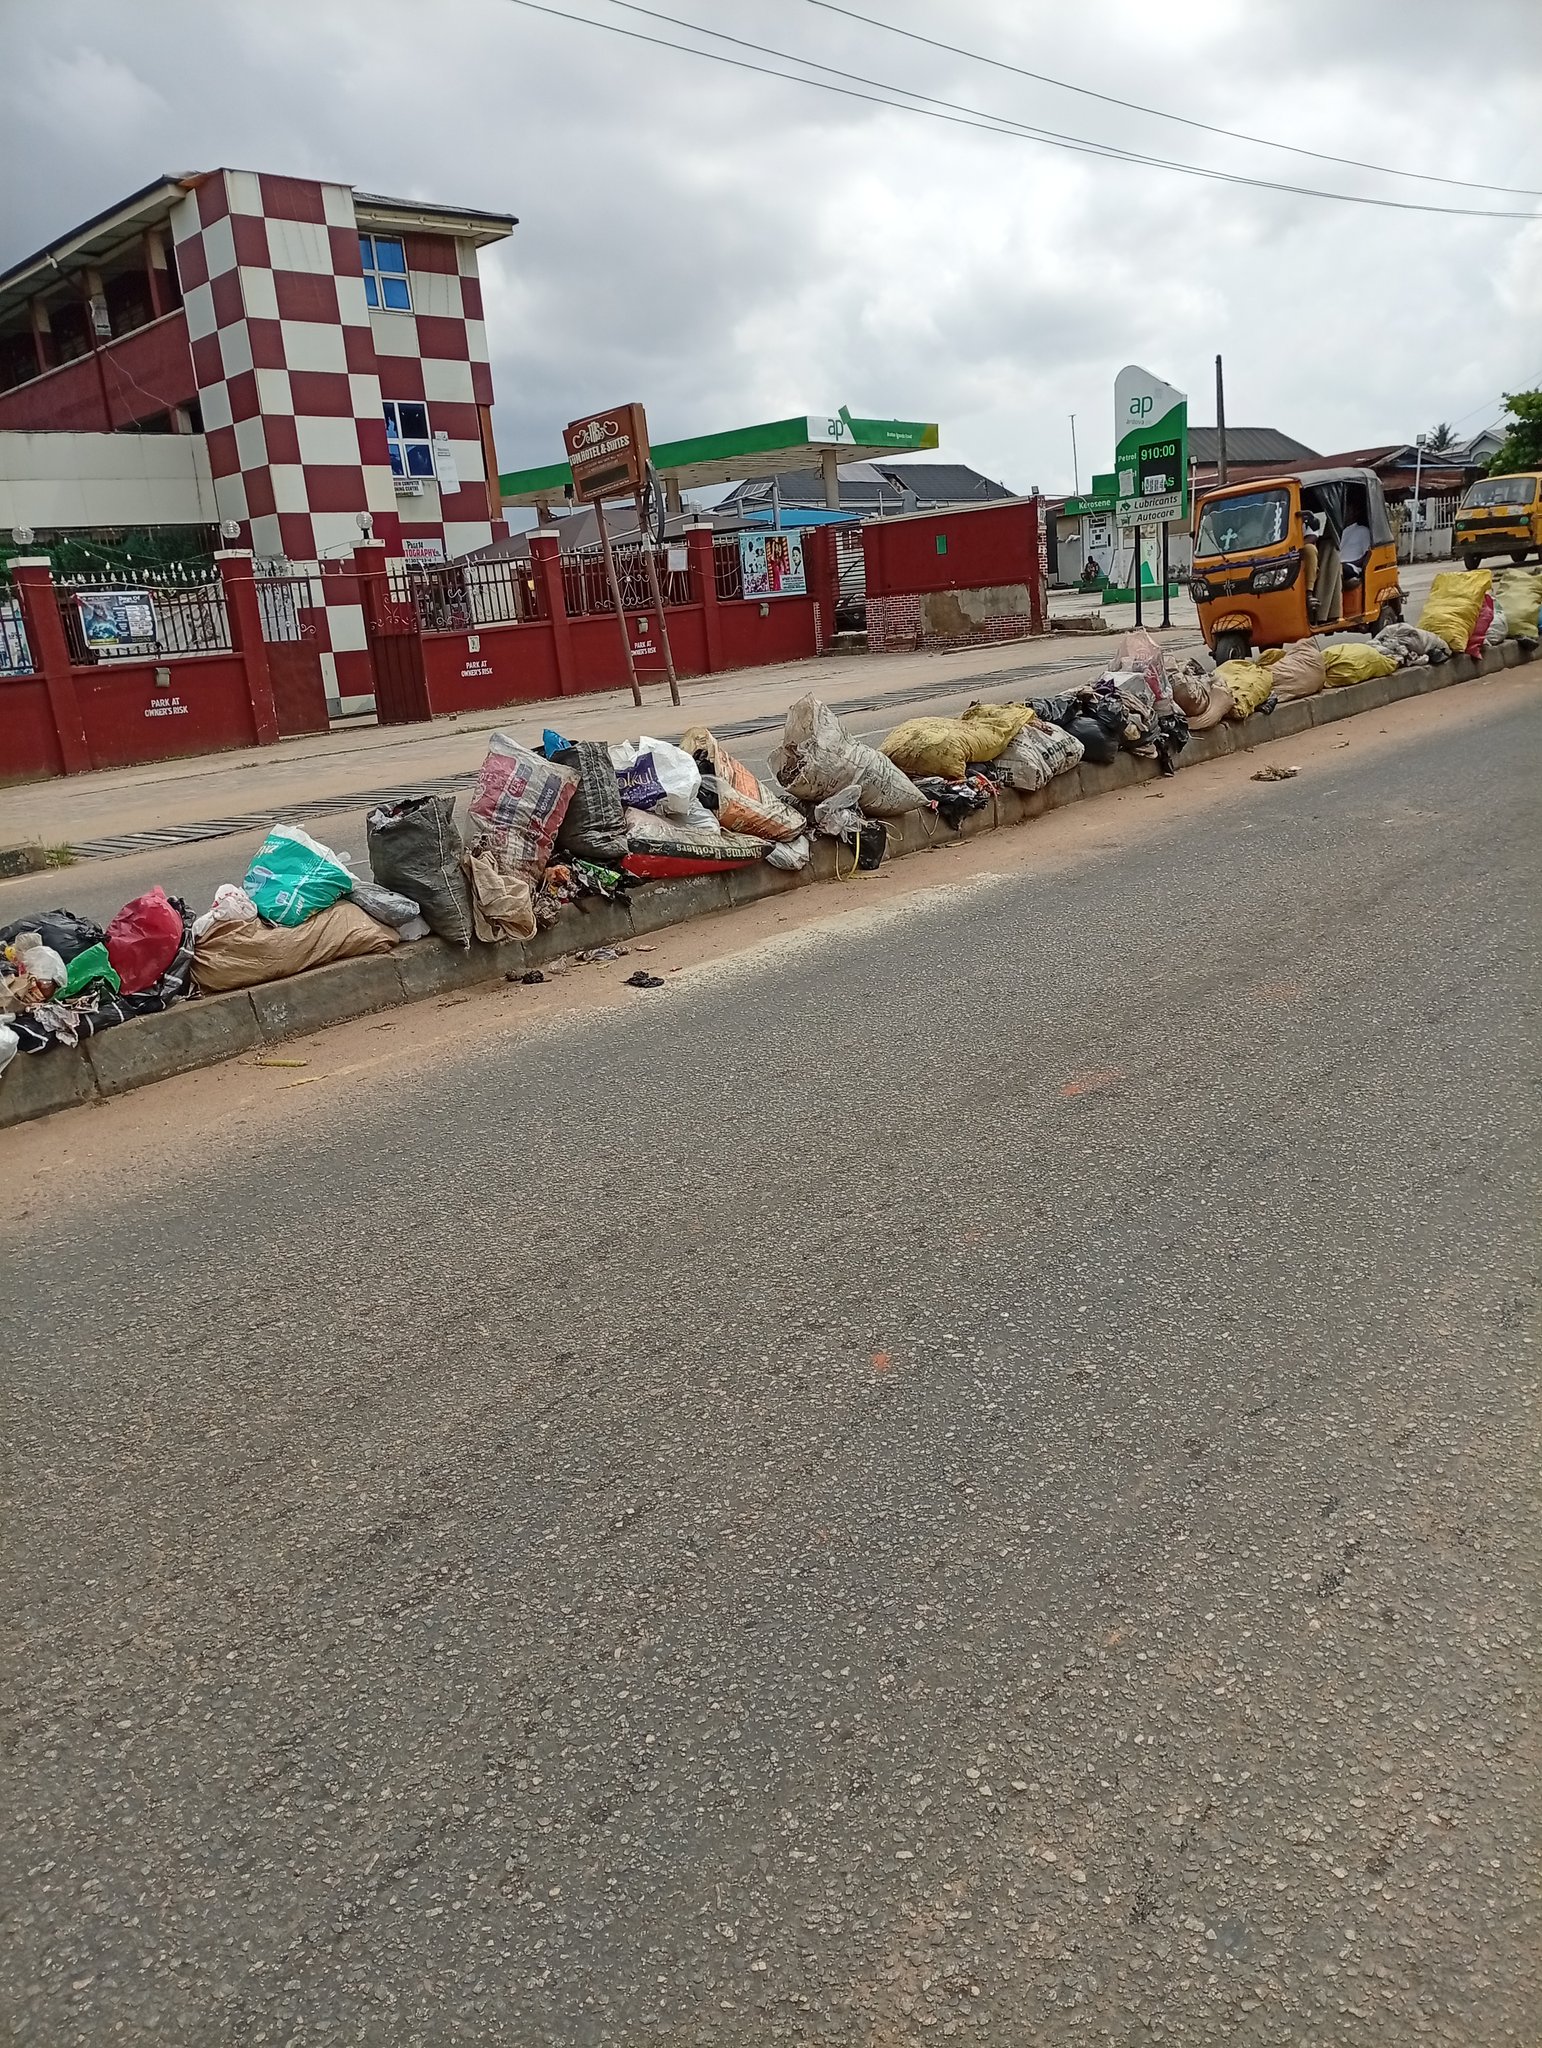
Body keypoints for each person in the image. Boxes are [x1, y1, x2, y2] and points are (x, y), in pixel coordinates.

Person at [1340, 514, 1372, 584]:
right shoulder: (1343, 531)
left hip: (1352, 567)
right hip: (1339, 564)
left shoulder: (1363, 530)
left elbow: (1367, 555)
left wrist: (1348, 563)